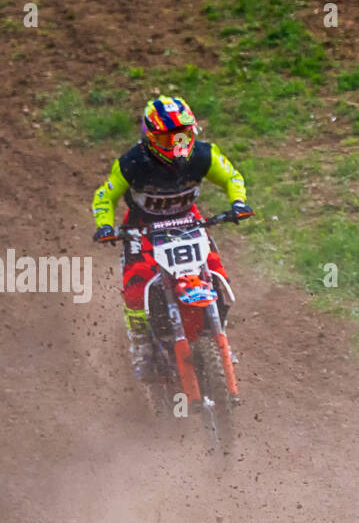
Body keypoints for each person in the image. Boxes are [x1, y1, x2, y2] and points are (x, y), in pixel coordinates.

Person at [90, 96, 253, 380]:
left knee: (215, 274)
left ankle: (216, 334)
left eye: (183, 136)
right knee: (136, 286)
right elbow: (105, 195)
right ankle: (142, 344)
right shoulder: (133, 163)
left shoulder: (203, 155)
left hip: (188, 223)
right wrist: (105, 225)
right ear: (151, 139)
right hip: (143, 229)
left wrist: (238, 203)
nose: (177, 146)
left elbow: (232, 178)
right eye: (168, 140)